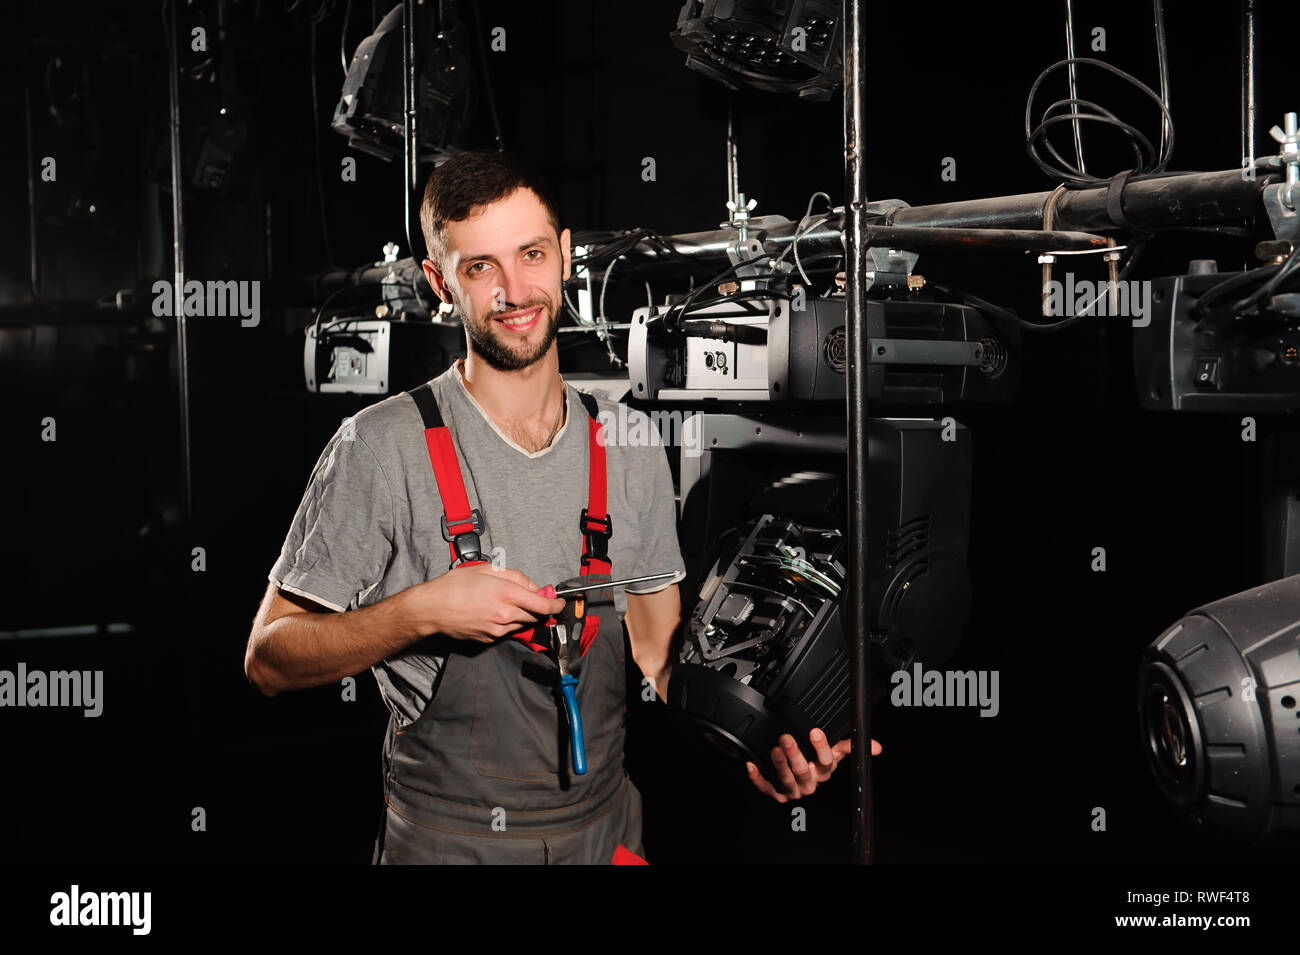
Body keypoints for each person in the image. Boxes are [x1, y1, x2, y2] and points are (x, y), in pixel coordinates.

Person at [243, 149, 867, 864]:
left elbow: (659, 654)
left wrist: (760, 740)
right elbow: (269, 658)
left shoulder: (628, 442)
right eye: (481, 267)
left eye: (532, 254)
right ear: (440, 282)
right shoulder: (379, 447)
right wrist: (420, 611)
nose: (515, 291)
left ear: (565, 255)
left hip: (603, 833)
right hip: (451, 844)